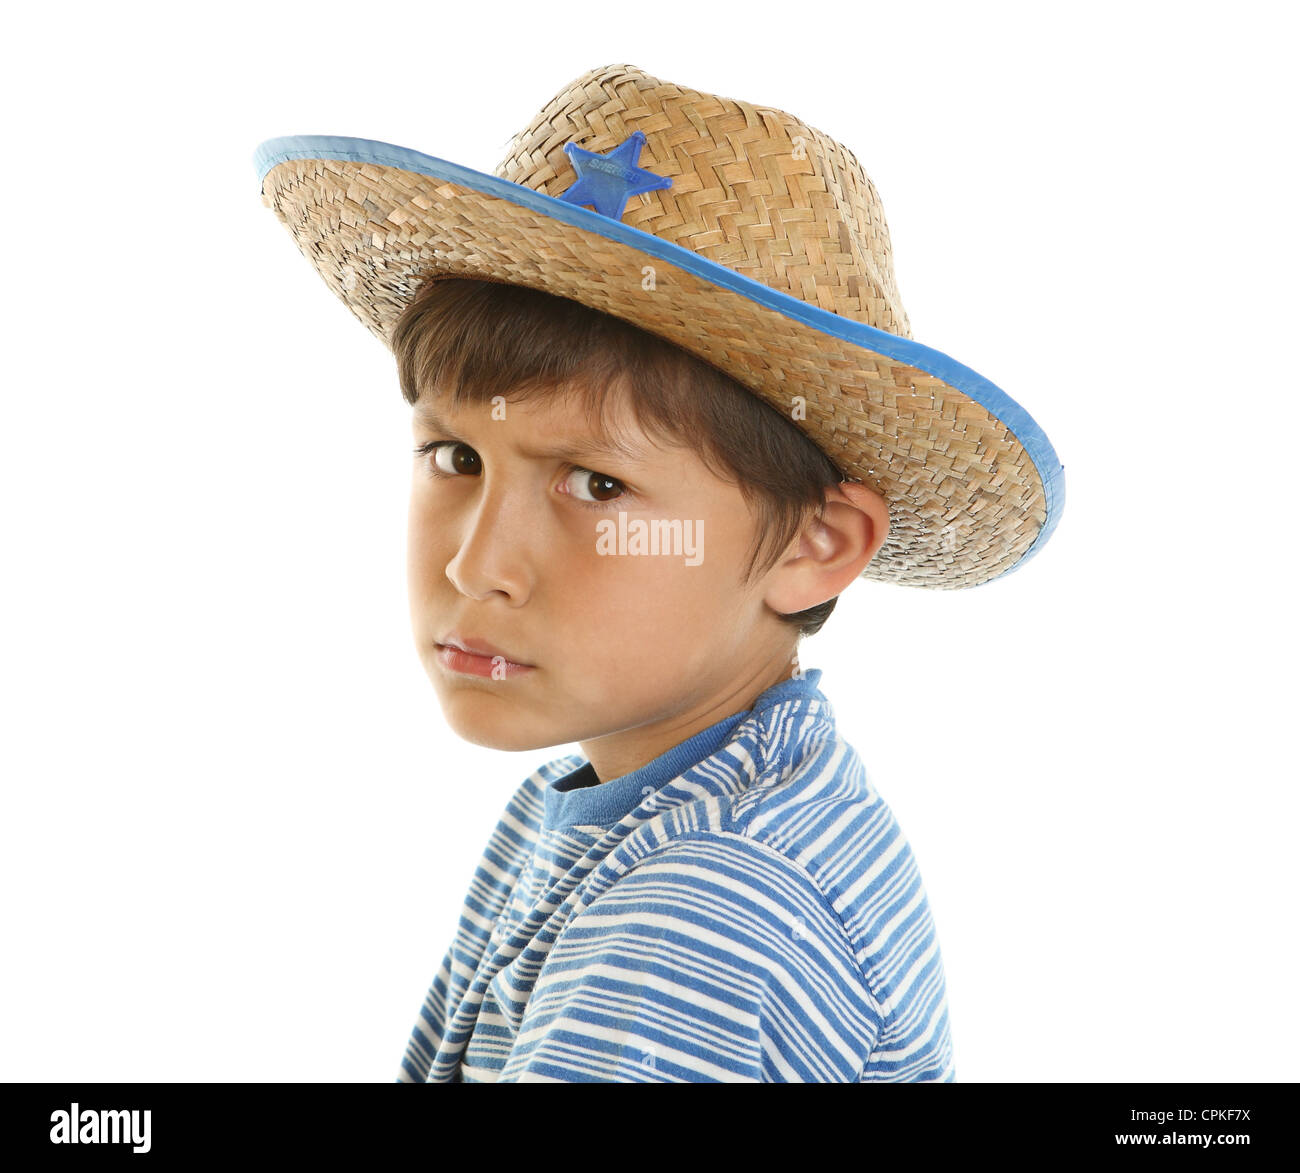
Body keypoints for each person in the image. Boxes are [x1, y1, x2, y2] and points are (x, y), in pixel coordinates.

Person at [253, 62, 1065, 1083]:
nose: (475, 564)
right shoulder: (629, 798)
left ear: (816, 545)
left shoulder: (697, 915)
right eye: (458, 460)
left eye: (595, 486)